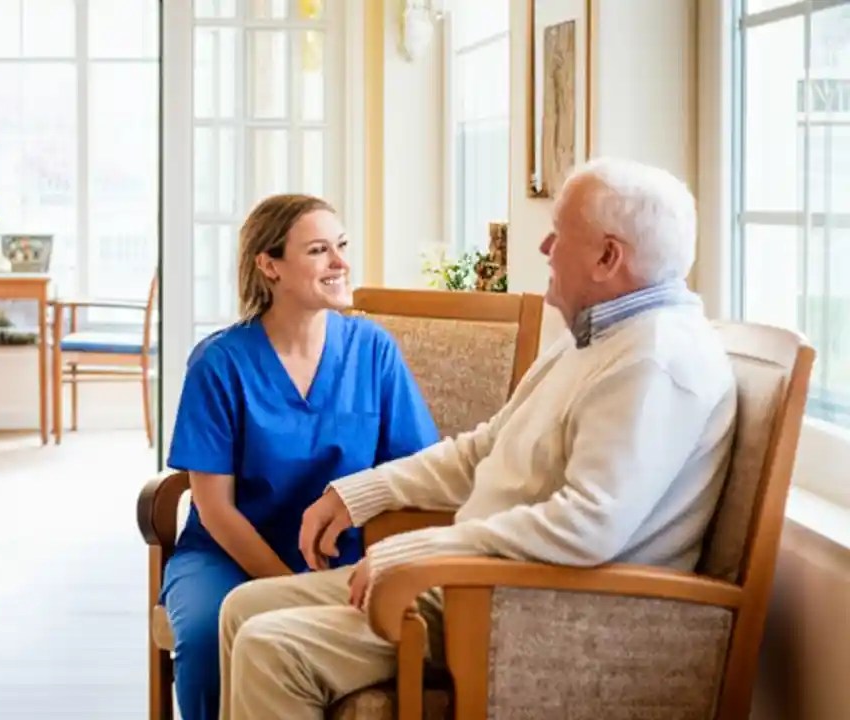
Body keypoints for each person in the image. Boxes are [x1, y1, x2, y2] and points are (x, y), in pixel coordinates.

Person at [216, 158, 740, 718]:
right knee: (242, 607)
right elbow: (485, 447)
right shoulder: (594, 338)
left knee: (271, 648)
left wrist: (415, 552)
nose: (543, 246)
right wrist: (360, 492)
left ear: (608, 257)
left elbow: (589, 525)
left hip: (530, 608)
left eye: (560, 232)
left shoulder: (655, 361)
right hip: (477, 583)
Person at [161, 193, 442, 720]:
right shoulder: (219, 363)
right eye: (318, 250)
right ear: (269, 266)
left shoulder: (373, 350)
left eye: (341, 246)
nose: (340, 263)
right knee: (204, 634)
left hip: (347, 555)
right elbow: (216, 510)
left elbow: (415, 470)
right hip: (228, 553)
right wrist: (288, 587)